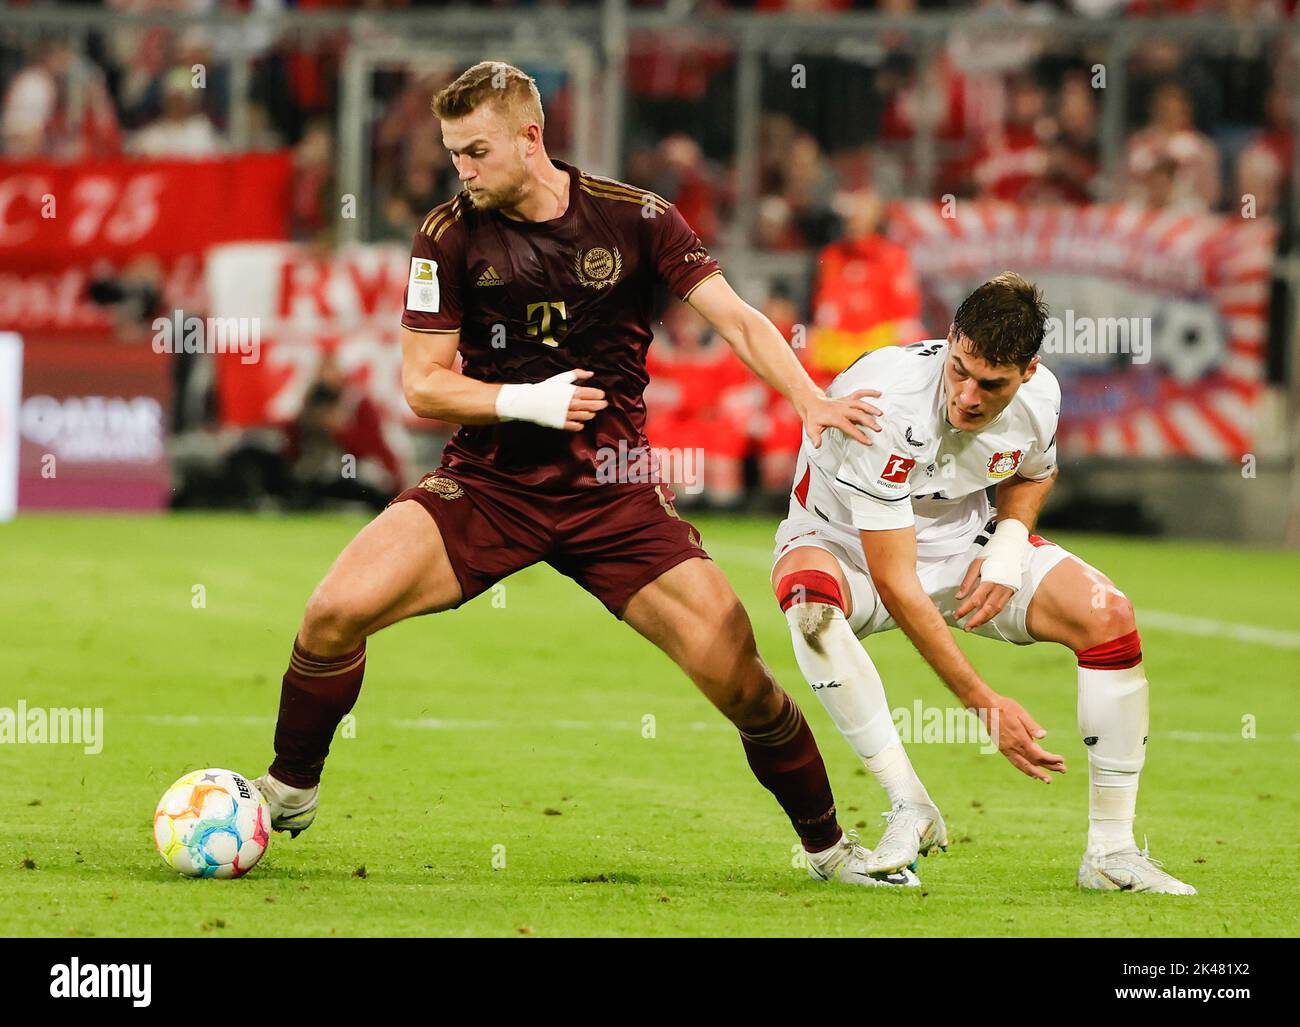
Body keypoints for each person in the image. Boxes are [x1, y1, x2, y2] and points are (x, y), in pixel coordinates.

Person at [254, 61, 905, 887]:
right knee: (331, 613)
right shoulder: (448, 234)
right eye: (452, 152)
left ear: (532, 138)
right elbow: (422, 383)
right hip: (487, 486)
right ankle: (290, 787)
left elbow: (737, 318)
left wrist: (808, 400)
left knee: (742, 683)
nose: (462, 169)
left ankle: (829, 848)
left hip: (614, 494)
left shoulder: (637, 219)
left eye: (476, 151)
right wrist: (525, 402)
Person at [770, 272, 1197, 894]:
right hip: (844, 544)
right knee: (811, 614)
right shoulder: (883, 404)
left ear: (1028, 372)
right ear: (949, 341)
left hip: (959, 546)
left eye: (991, 383)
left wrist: (1009, 540)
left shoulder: (1040, 399)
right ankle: (909, 804)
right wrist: (984, 705)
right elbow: (894, 580)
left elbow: (1031, 473)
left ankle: (1112, 852)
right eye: (959, 369)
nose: (968, 395)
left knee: (1108, 614)